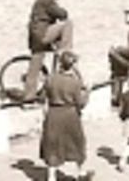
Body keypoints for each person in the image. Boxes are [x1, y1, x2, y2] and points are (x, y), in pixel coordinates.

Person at [38, 51, 87, 181]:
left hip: (53, 113)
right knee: (77, 142)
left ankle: (51, 176)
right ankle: (80, 172)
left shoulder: (51, 78)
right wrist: (87, 93)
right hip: (70, 115)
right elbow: (81, 103)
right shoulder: (75, 82)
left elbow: (42, 97)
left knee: (52, 144)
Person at [25, 0, 75, 102]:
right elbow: (62, 14)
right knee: (68, 24)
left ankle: (28, 96)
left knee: (34, 67)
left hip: (35, 37)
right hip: (42, 35)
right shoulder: (49, 1)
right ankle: (65, 51)